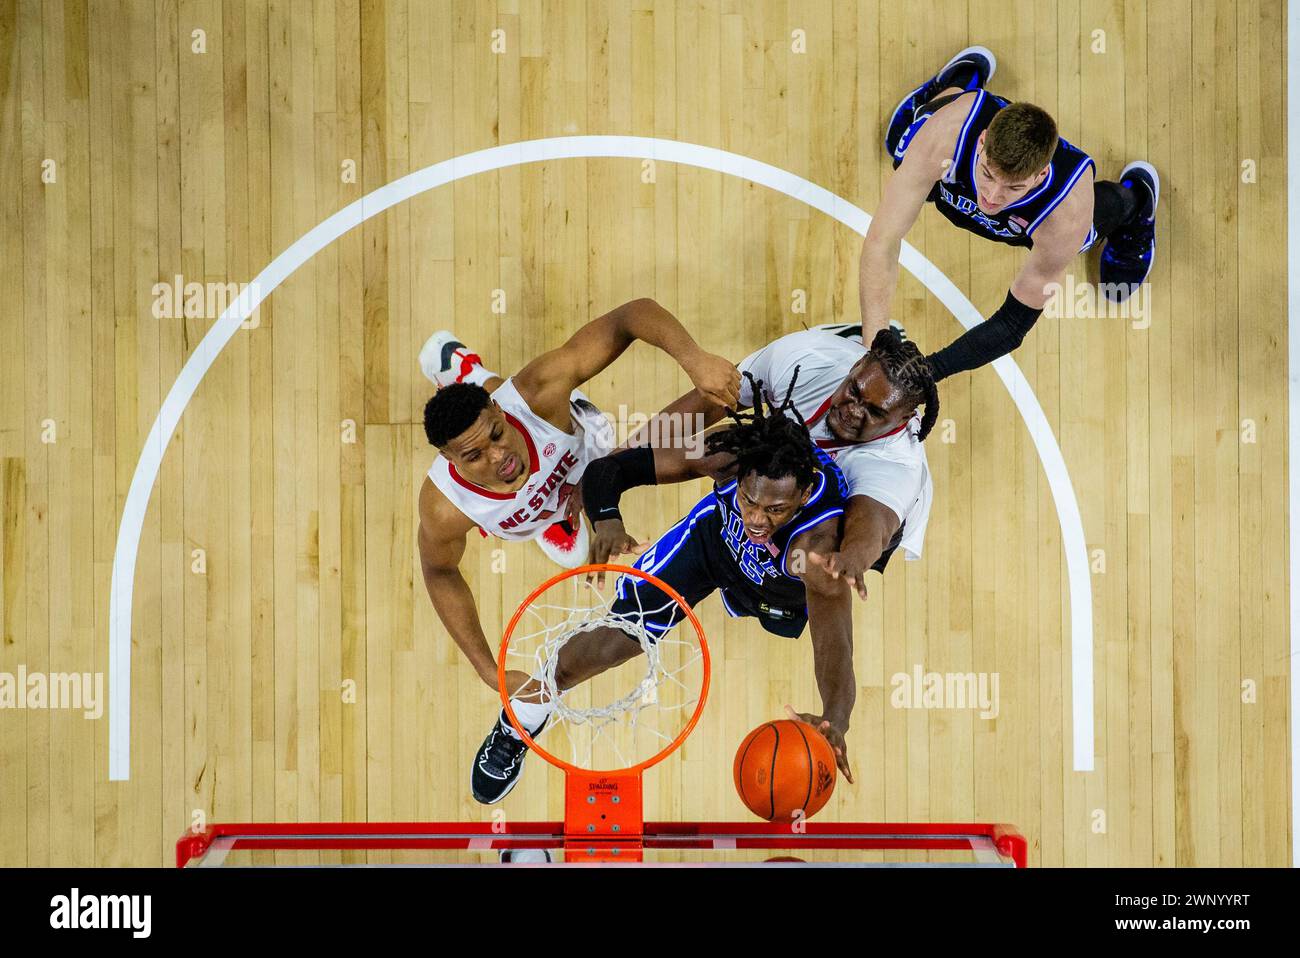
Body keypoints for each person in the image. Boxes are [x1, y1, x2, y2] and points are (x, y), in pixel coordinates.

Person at [416, 298, 739, 708]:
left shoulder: (539, 392)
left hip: (583, 455)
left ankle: (472, 376)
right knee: (551, 520)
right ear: (448, 459)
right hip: (528, 507)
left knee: (599, 457)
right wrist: (488, 671)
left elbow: (629, 317)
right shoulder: (445, 507)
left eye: (497, 434)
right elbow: (440, 570)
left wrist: (695, 360)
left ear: (500, 412)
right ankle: (550, 511)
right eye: (474, 456)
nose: (498, 457)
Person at [862, 46, 1160, 380]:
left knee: (1083, 234)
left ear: (1040, 175)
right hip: (951, 163)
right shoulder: (944, 137)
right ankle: (959, 82)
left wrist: (925, 374)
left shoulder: (1066, 210)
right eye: (988, 175)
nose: (991, 197)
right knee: (912, 143)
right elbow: (882, 243)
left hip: (1033, 220)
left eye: (1013, 187)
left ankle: (1136, 201)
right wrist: (874, 352)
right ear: (982, 142)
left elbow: (1012, 324)